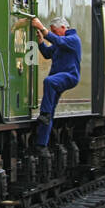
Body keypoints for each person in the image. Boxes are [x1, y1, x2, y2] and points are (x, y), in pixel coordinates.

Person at [31, 14, 82, 148]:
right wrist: (41, 41)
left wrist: (42, 27)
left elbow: (58, 42)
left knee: (49, 81)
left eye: (54, 31)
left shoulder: (73, 40)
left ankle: (45, 114)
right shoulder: (61, 42)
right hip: (58, 78)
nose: (53, 33)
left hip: (69, 76)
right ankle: (41, 144)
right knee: (50, 111)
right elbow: (47, 53)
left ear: (63, 27)